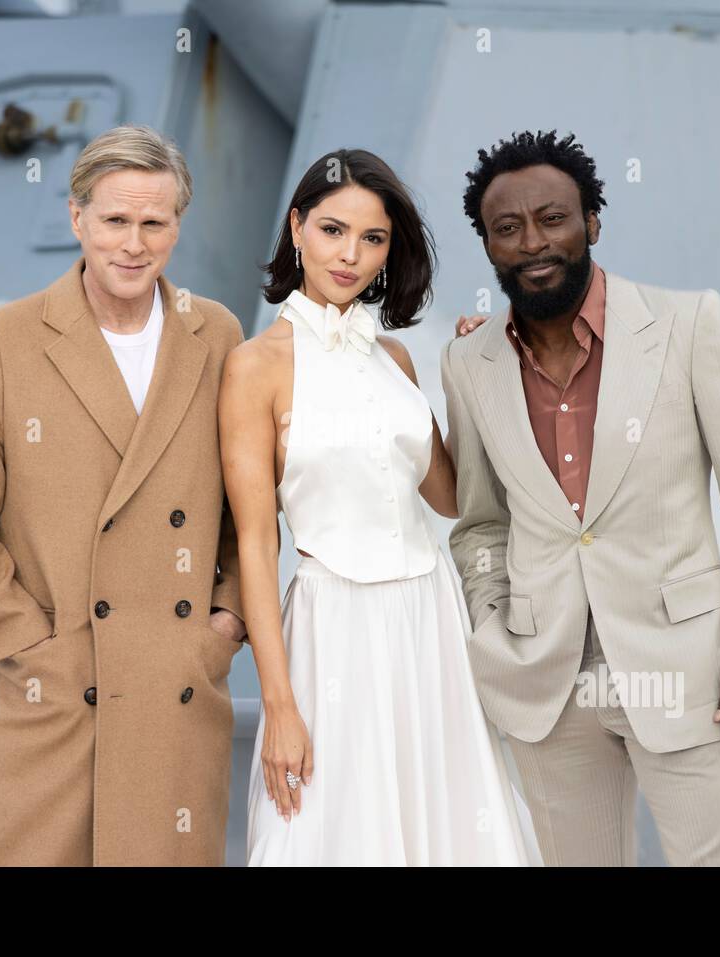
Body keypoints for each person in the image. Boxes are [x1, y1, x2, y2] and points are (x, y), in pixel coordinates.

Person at [445, 129, 720, 865]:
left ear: (592, 224)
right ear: (487, 246)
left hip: (689, 668)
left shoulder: (687, 324)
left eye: (553, 218)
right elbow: (480, 523)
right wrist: (492, 624)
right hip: (545, 680)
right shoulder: (467, 362)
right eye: (507, 228)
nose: (533, 241)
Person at [0, 124, 248, 865]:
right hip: (53, 697)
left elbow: (248, 507)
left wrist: (224, 620)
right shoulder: (4, 339)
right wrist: (28, 643)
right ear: (77, 218)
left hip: (176, 692)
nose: (134, 243)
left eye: (154, 222)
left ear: (177, 225)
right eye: (115, 220)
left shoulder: (215, 333)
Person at [220, 148, 541, 865]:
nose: (351, 256)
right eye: (334, 231)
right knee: (333, 829)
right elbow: (254, 543)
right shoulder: (253, 367)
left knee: (453, 826)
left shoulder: (392, 359)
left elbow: (450, 495)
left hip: (432, 618)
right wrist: (279, 705)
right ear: (297, 226)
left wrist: (471, 380)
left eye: (373, 239)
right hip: (333, 628)